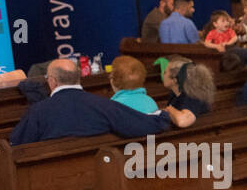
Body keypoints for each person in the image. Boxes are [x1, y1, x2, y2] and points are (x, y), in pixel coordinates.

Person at [9, 58, 178, 145]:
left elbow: (16, 145)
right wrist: (164, 114)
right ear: (79, 78)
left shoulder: (38, 111)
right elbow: (145, 124)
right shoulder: (105, 105)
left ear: (52, 81)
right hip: (98, 181)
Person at [160, 56, 215, 126]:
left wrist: (169, 109)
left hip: (197, 134)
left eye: (165, 72)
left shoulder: (192, 97)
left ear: (175, 80)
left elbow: (182, 121)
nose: (163, 75)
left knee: (150, 135)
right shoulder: (175, 93)